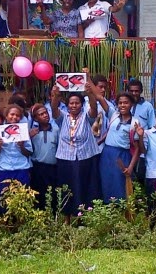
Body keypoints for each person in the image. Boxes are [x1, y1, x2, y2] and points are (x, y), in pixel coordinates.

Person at [50, 75, 102, 221]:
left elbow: (93, 108)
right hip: (66, 158)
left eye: (77, 103)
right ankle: (67, 217)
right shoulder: (62, 118)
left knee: (84, 186)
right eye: (71, 103)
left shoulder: (87, 116)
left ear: (81, 104)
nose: (74, 106)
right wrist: (56, 94)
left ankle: (82, 217)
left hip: (85, 157)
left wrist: (90, 94)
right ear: (67, 105)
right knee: (67, 187)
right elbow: (54, 108)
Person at [0, 105, 33, 192]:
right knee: (5, 198)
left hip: (21, 168)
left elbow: (29, 153)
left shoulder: (23, 133)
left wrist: (22, 146)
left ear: (20, 118)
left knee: (22, 198)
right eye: (12, 114)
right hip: (5, 169)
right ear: (6, 116)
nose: (14, 117)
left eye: (17, 115)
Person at [29, 103, 59, 209]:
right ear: (35, 118)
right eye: (41, 114)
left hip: (52, 167)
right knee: (38, 193)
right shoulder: (33, 132)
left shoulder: (55, 130)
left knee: (53, 193)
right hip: (38, 167)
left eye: (46, 112)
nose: (45, 115)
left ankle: (53, 217)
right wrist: (29, 137)